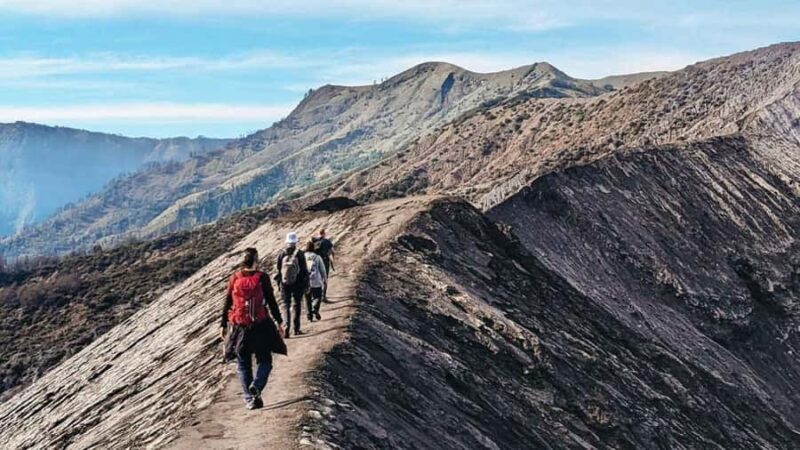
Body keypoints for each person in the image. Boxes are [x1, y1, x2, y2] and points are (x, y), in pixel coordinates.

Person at [220, 247, 287, 410]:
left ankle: (250, 399)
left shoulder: (234, 278)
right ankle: (256, 385)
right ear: (256, 261)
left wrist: (223, 325)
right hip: (260, 326)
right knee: (265, 360)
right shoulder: (262, 278)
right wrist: (279, 322)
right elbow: (271, 301)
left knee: (243, 364)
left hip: (239, 328)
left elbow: (227, 301)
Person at [274, 232, 309, 337]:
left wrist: (279, 283)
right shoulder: (300, 254)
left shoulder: (281, 254)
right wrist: (306, 284)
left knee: (285, 305)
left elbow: (278, 270)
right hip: (298, 283)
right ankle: (296, 329)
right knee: (296, 304)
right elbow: (304, 271)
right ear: (295, 242)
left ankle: (286, 329)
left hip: (284, 284)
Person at [304, 241, 327, 322]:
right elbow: (323, 270)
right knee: (317, 297)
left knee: (307, 299)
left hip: (306, 282)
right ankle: (314, 308)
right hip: (316, 281)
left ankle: (309, 316)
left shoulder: (303, 257)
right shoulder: (317, 257)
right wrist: (325, 279)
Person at [311, 229, 335, 302]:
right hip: (324, 262)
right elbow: (332, 252)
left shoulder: (315, 242)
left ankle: (315, 296)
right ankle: (323, 296)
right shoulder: (327, 242)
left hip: (316, 262)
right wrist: (332, 263)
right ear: (324, 233)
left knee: (316, 278)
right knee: (325, 279)